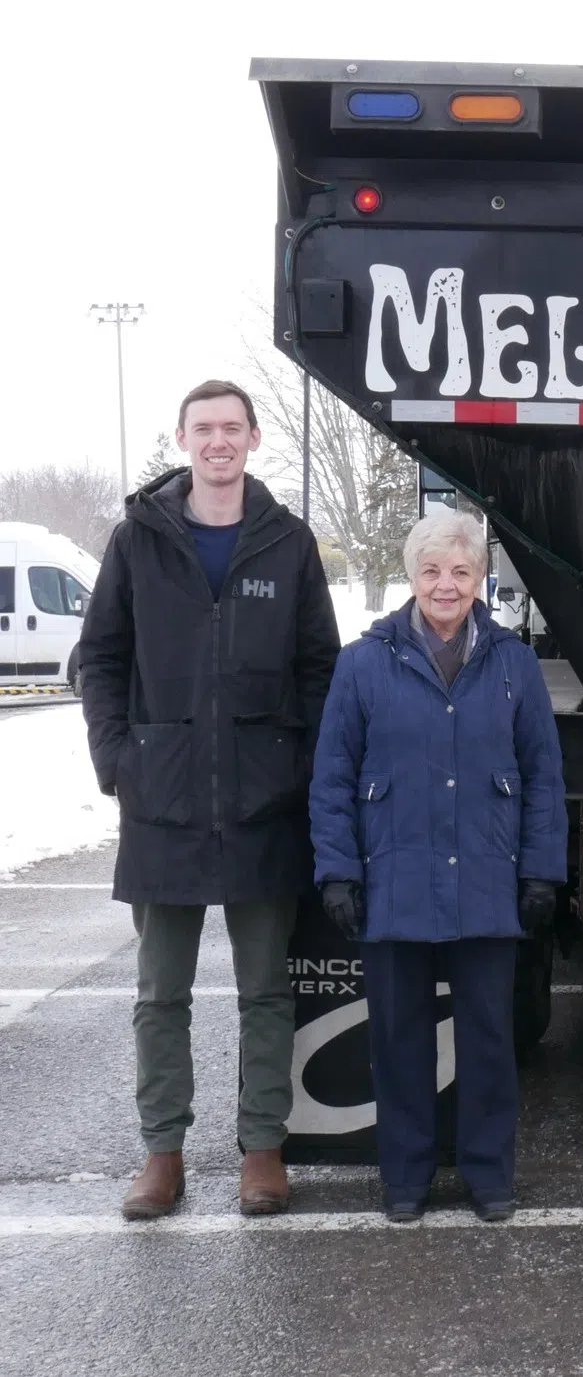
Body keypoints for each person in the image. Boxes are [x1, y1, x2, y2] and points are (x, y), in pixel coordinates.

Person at [79, 379, 340, 1220]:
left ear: (254, 439)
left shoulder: (287, 543)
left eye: (232, 427)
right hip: (163, 803)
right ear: (183, 439)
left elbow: (319, 669)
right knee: (161, 995)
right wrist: (121, 760)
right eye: (204, 429)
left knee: (267, 989)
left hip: (265, 806)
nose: (218, 441)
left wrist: (293, 767)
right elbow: (102, 659)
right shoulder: (138, 540)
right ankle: (163, 1155)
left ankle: (262, 1151)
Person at [309, 511, 566, 1223]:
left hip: (487, 877)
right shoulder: (363, 663)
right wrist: (338, 871)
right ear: (412, 577)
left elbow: (544, 773)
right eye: (431, 571)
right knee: (398, 1038)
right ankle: (406, 1176)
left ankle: (488, 1173)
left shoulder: (512, 662)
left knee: (489, 1035)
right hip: (395, 878)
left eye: (459, 571)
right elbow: (332, 775)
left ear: (479, 578)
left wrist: (542, 870)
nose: (445, 585)